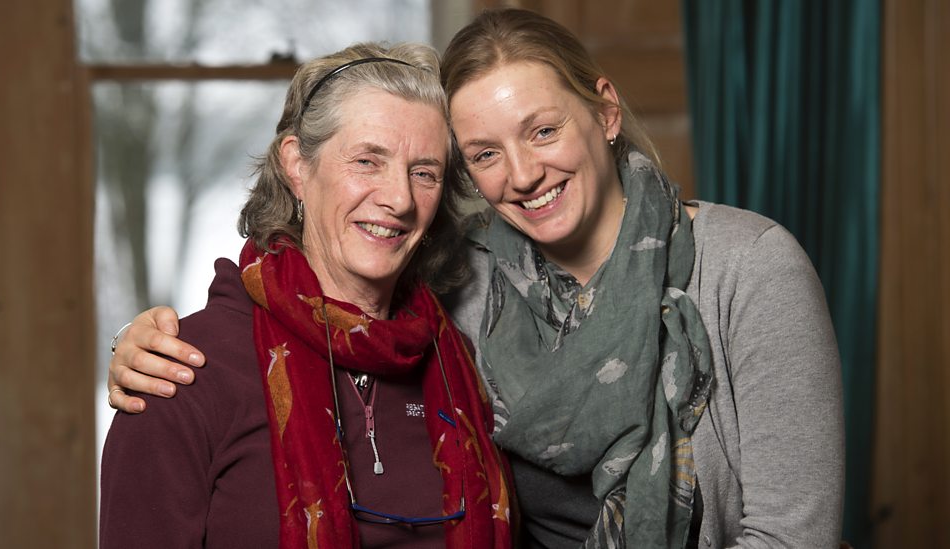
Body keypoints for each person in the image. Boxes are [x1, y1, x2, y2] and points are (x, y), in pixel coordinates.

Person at [106, 9, 844, 548]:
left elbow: (791, 533)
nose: (523, 174)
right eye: (484, 154)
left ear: (606, 111)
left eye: (544, 129)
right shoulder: (467, 292)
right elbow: (311, 290)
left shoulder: (745, 267)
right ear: (297, 165)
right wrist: (139, 344)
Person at [99, 41, 513, 549]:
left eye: (424, 173)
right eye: (367, 160)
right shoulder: (178, 372)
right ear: (297, 164)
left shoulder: (461, 355)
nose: (399, 199)